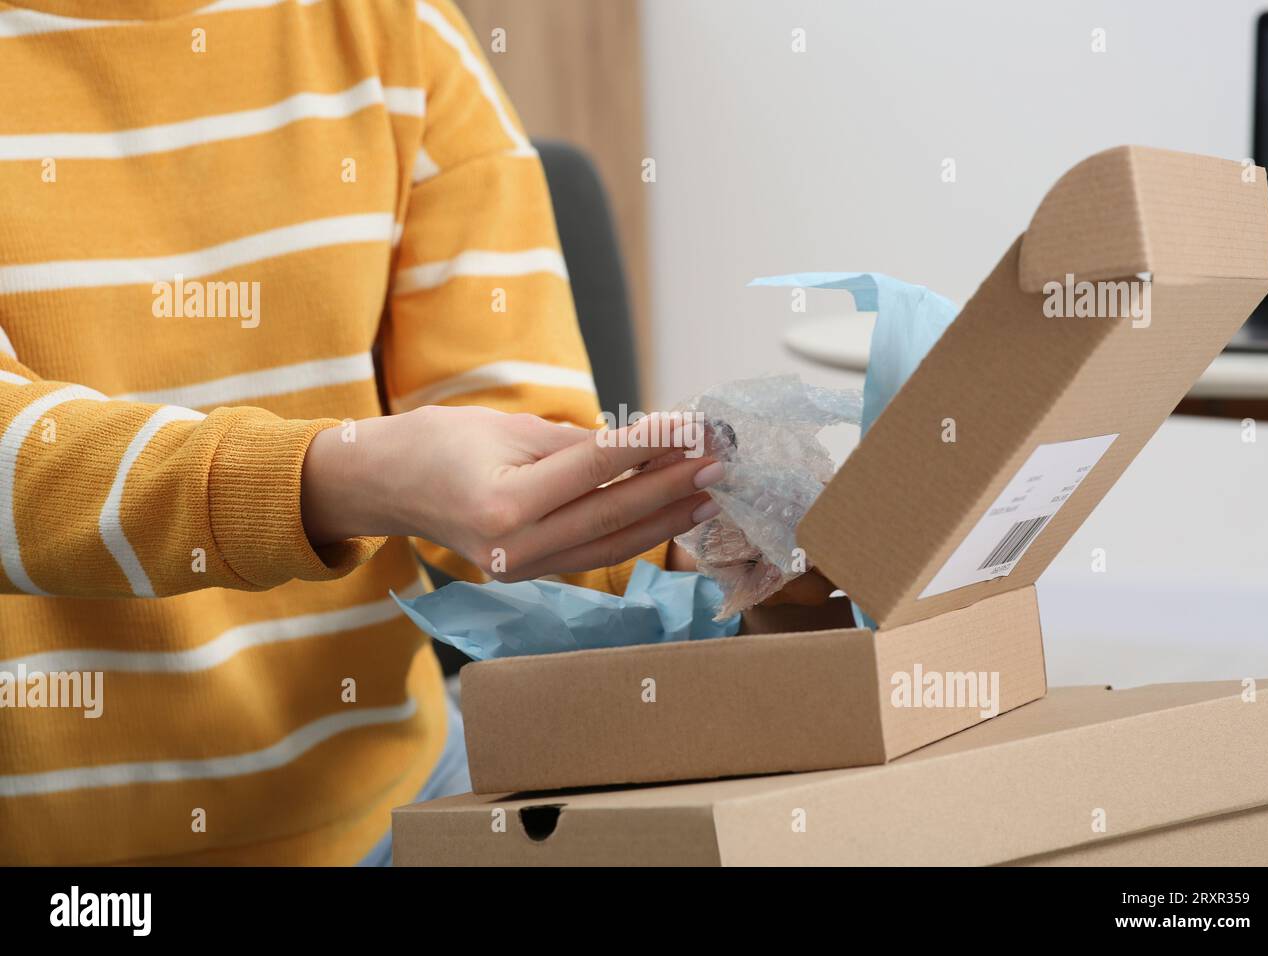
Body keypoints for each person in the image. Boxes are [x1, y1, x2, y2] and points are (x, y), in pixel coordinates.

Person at [0, 0, 735, 865]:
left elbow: (531, 496)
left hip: (396, 812)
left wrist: (720, 552)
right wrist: (340, 477)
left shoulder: (396, 27)